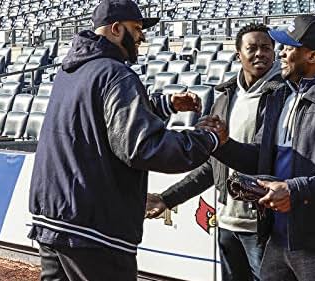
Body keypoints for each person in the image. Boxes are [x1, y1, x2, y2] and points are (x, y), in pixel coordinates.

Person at [27, 0, 221, 280]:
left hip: (53, 218)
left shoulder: (70, 70)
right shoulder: (116, 74)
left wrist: (164, 105)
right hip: (93, 228)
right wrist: (207, 139)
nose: (142, 36)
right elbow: (143, 148)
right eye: (137, 28)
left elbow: (100, 119)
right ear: (117, 29)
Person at [199, 15, 315, 281]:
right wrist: (224, 144)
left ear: (313, 56)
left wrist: (294, 189)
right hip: (278, 237)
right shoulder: (281, 95)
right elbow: (260, 156)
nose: (280, 53)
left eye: (289, 48)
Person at [145, 23, 282, 281]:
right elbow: (212, 167)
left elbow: (263, 159)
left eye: (266, 48)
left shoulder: (281, 97)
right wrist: (167, 198)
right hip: (228, 224)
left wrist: (224, 142)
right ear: (238, 54)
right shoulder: (224, 98)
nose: (260, 54)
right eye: (251, 48)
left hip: (265, 227)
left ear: (274, 53)